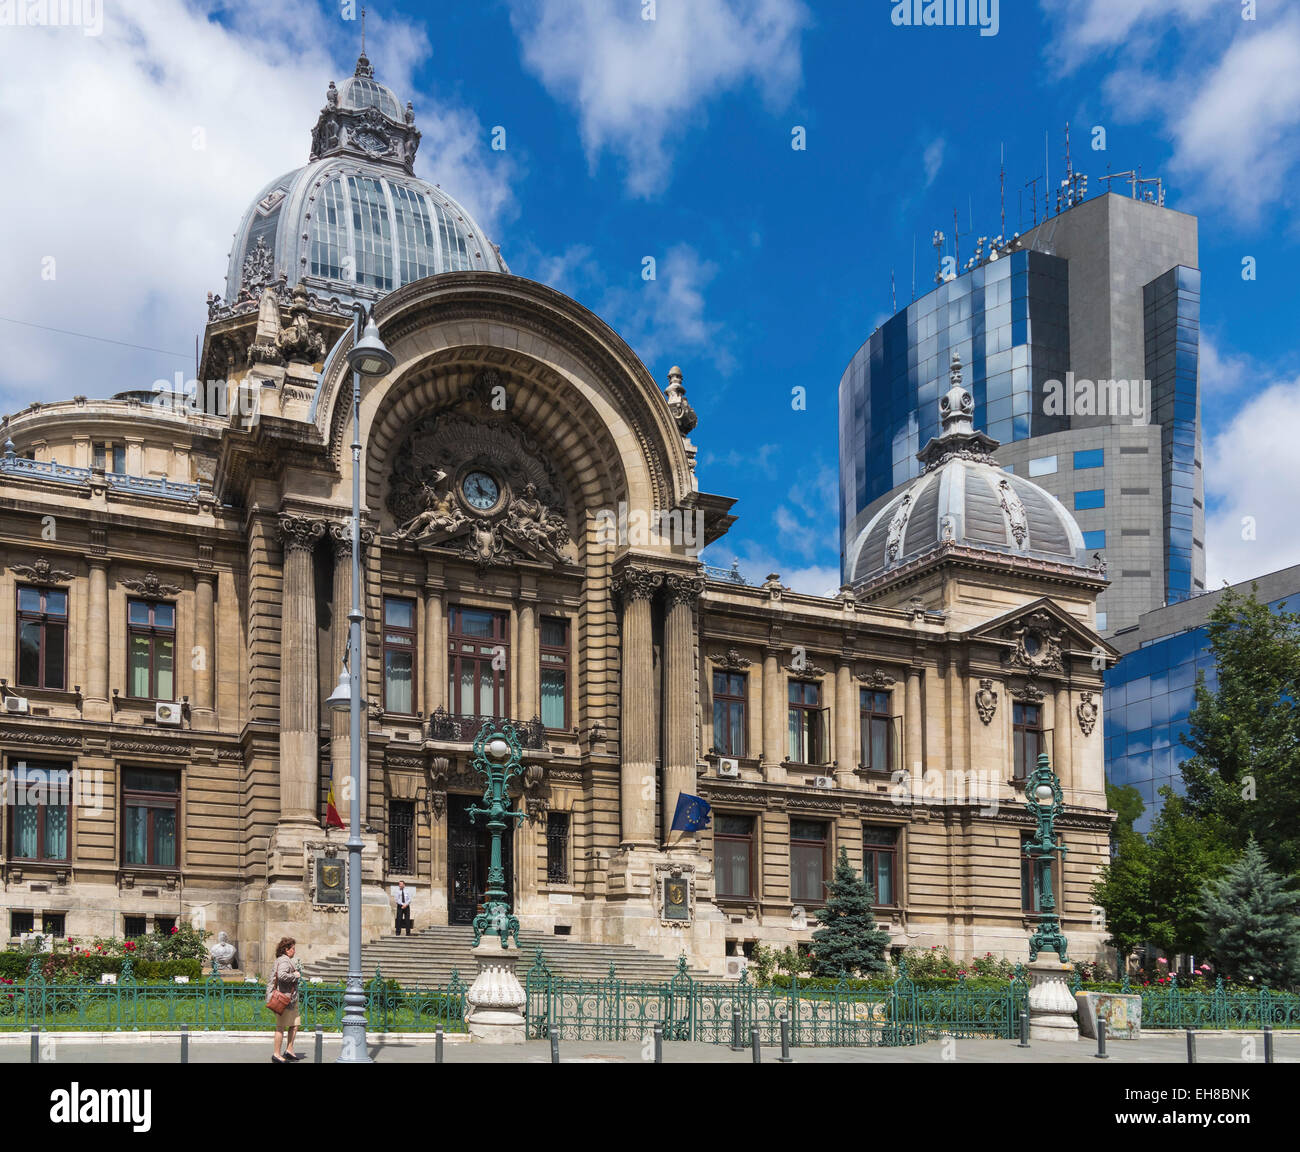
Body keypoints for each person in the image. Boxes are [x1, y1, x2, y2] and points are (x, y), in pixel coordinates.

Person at [269, 936, 303, 1063]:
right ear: (286, 950)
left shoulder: (286, 960)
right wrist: (295, 975)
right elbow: (282, 976)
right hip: (283, 999)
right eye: (293, 948)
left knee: (295, 1024)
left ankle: (289, 1050)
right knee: (280, 1027)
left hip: (290, 1000)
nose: (294, 951)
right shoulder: (283, 961)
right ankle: (276, 1054)